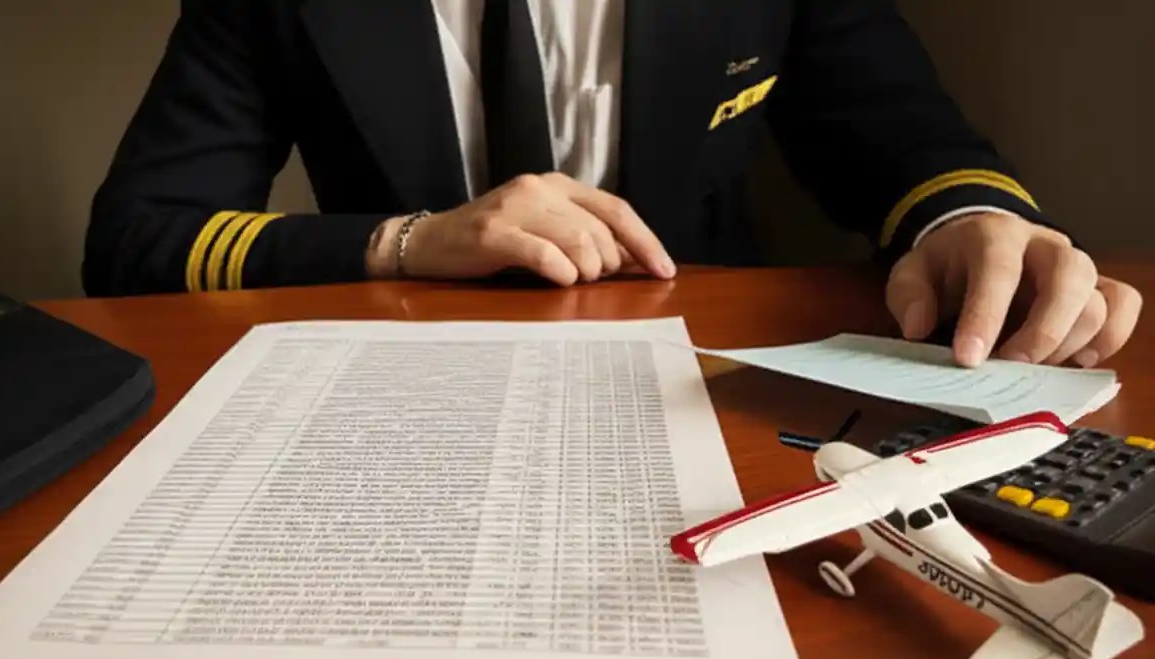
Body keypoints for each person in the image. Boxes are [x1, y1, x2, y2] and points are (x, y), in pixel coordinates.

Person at [83, 0, 1141, 369]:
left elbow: (900, 134)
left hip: (716, 379)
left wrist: (972, 216)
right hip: (398, 387)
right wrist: (406, 240)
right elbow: (137, 236)